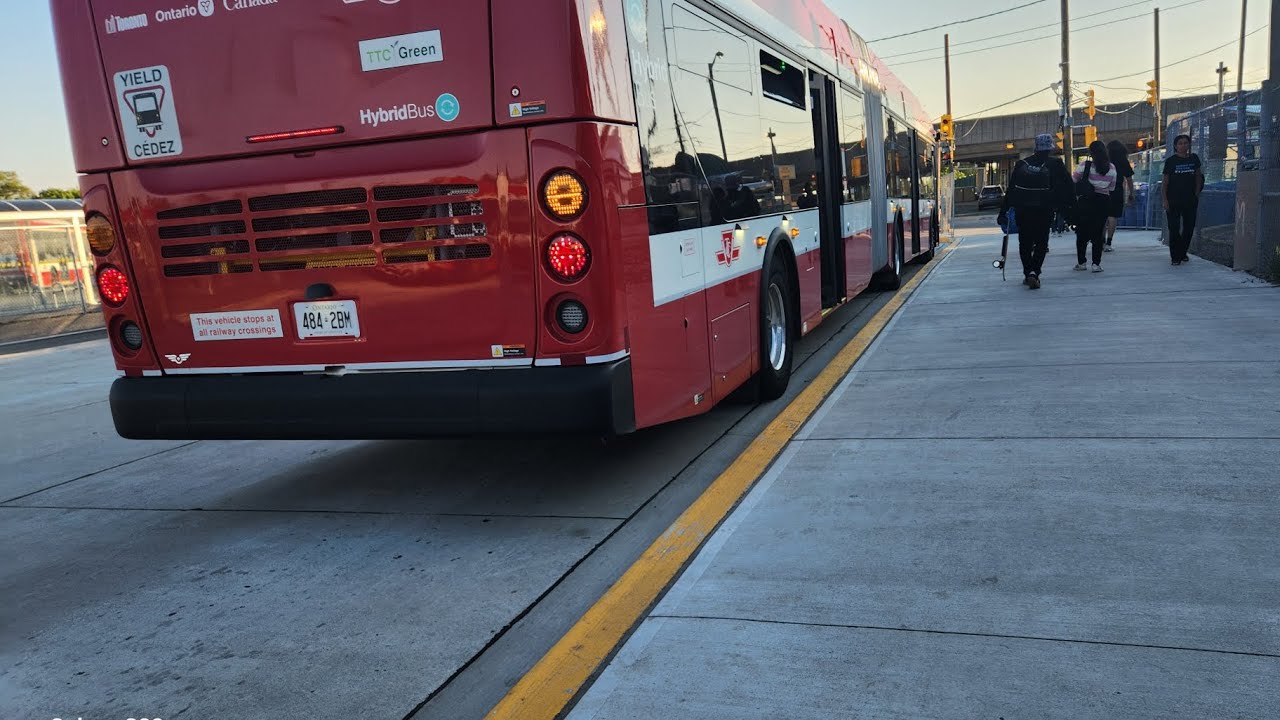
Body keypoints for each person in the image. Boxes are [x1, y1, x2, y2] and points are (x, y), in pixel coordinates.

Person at [998, 133, 1074, 288]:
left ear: (1036, 147)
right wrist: (1069, 210)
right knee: (1041, 242)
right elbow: (1068, 187)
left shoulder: (1022, 164)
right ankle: (1035, 272)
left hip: (1023, 210)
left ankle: (1028, 273)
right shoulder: (1056, 164)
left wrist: (1003, 212)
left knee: (1024, 243)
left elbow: (1011, 190)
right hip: (1045, 209)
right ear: (1050, 148)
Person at [1072, 140, 1117, 273]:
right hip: (1103, 201)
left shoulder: (1085, 166)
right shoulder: (1112, 168)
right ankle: (1096, 264)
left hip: (1085, 202)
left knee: (1082, 234)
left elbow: (1073, 180)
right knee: (1098, 234)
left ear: (1091, 153)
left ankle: (1081, 262)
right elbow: (1112, 187)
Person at [1162, 134, 1204, 265]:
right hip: (1173, 200)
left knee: (1188, 228)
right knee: (1174, 228)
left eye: (1186, 143)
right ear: (1175, 146)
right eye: (1180, 143)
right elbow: (1165, 183)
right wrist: (1165, 200)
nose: (1183, 145)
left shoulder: (1194, 159)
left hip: (1190, 200)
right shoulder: (1171, 161)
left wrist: (1196, 192)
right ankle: (1175, 256)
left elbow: (1198, 176)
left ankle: (1183, 252)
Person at [1104, 140, 1135, 252]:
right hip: (1117, 190)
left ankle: (1101, 241)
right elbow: (1129, 178)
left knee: (1103, 216)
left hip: (1103, 189)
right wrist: (1131, 193)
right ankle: (1109, 243)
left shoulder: (1104, 161)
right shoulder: (1123, 161)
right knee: (1113, 216)